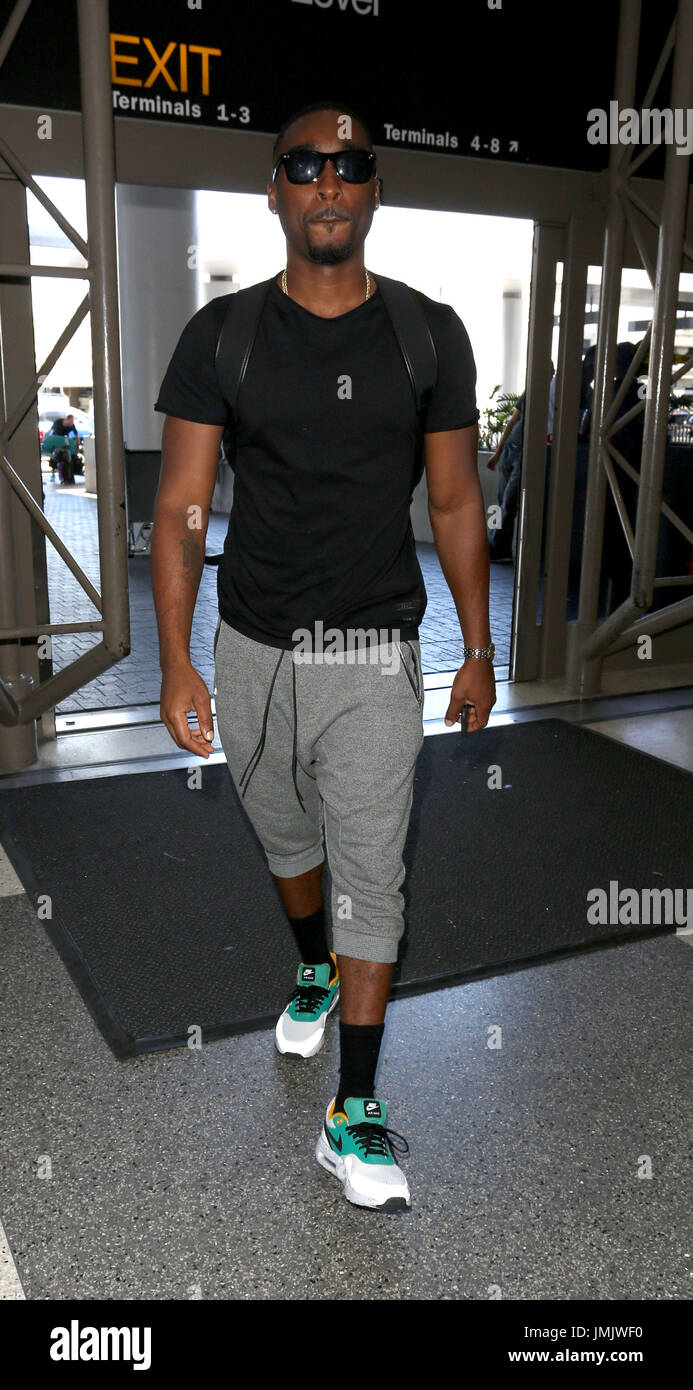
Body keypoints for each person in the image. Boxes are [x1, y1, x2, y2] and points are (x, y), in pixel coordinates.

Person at [152, 99, 496, 1213]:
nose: (329, 183)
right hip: (251, 645)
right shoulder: (224, 336)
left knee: (371, 874)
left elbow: (453, 502)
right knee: (284, 838)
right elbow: (181, 509)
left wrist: (478, 645)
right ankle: (308, 964)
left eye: (349, 165)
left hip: (374, 654)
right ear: (276, 192)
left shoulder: (428, 333)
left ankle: (355, 1111)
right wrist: (176, 661)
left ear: (373, 189)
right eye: (305, 166)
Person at [486, 362, 555, 562]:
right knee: (501, 502)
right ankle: (495, 545)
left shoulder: (550, 395)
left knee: (507, 501)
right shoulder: (531, 392)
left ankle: (497, 547)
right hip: (512, 449)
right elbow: (512, 421)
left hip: (523, 452)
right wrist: (497, 453)